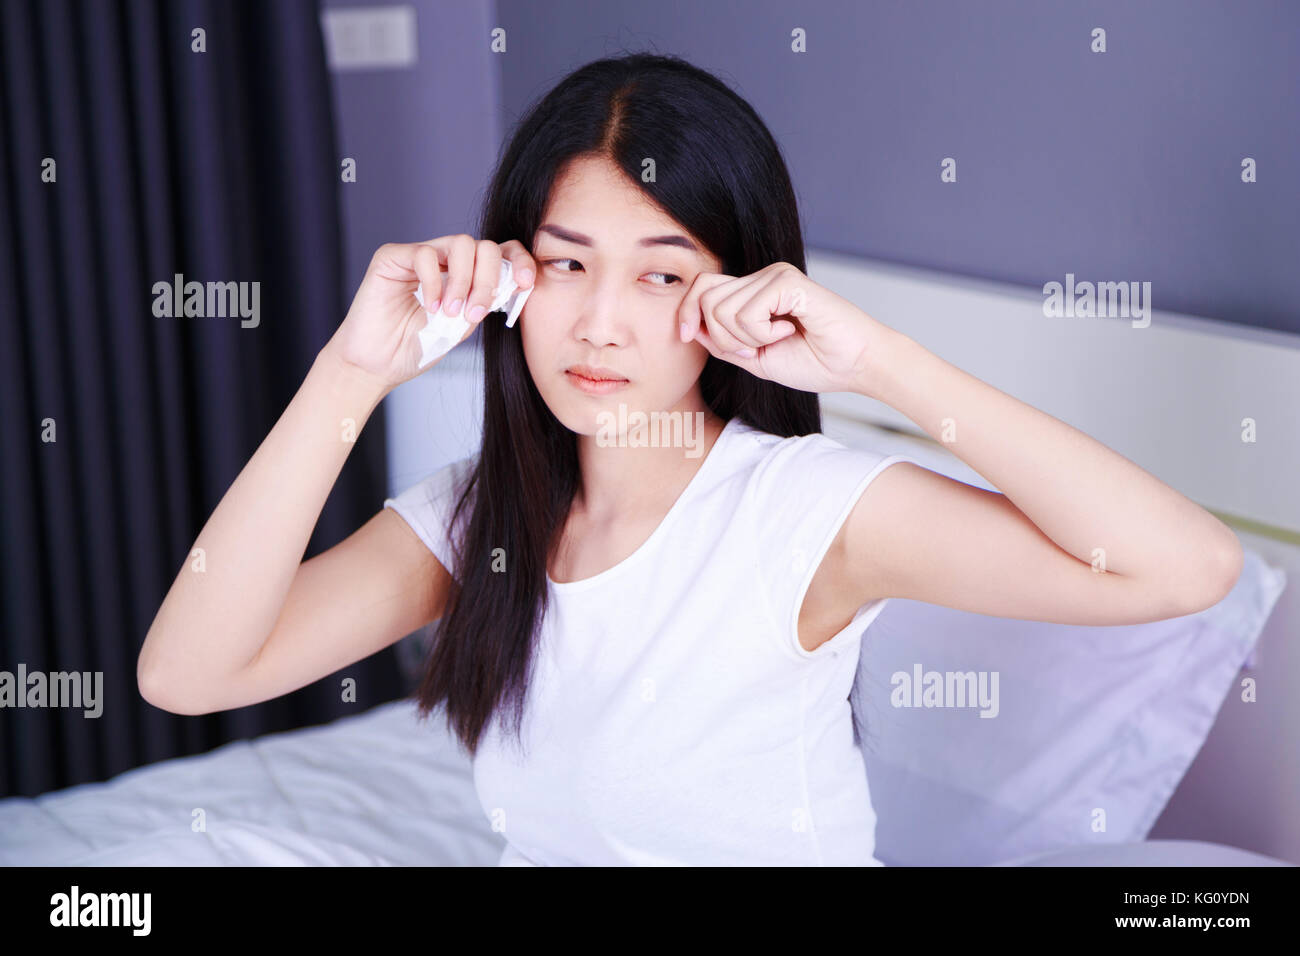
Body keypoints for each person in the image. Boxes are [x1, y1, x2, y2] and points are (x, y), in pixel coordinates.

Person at [138, 53, 1243, 866]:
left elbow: (1184, 568)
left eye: (661, 275)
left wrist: (879, 361)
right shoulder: (488, 513)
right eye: (567, 265)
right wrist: (348, 370)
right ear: (513, 277)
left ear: (734, 292)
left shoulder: (803, 509)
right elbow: (187, 674)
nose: (599, 323)